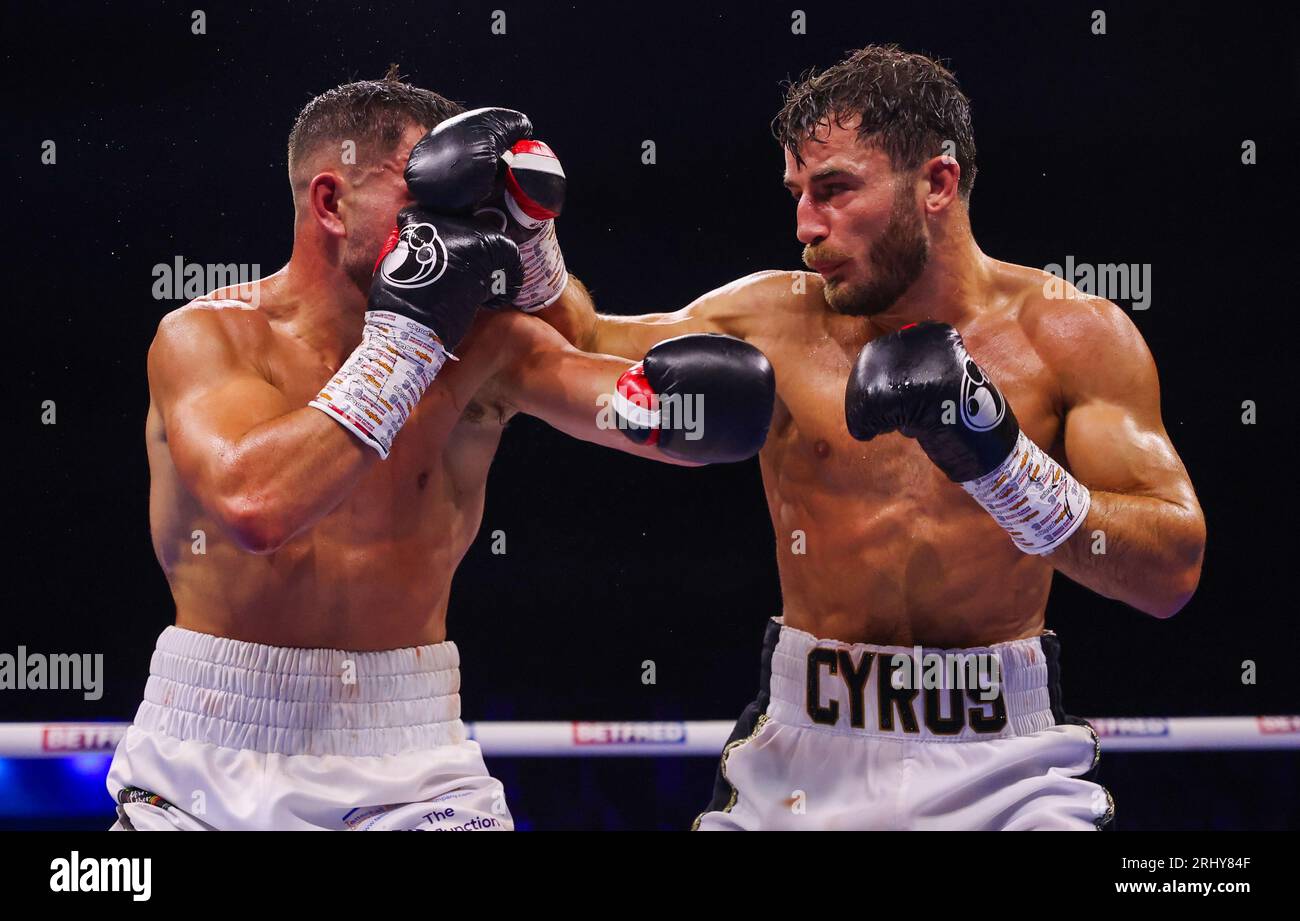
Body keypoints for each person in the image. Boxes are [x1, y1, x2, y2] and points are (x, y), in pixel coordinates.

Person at [540, 45, 1205, 830]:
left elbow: (1171, 572)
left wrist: (1003, 466)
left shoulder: (1070, 335)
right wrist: (524, 238)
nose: (805, 227)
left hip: (1004, 762)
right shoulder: (772, 319)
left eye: (834, 190)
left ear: (937, 183)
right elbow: (578, 341)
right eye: (797, 194)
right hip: (802, 756)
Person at [108, 72, 775, 831]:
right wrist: (406, 341)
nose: (453, 227)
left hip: (408, 758)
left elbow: (638, 398)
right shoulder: (209, 336)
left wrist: (535, 243)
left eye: (463, 203)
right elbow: (257, 506)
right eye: (422, 196)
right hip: (207, 753)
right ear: (330, 203)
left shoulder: (483, 345)